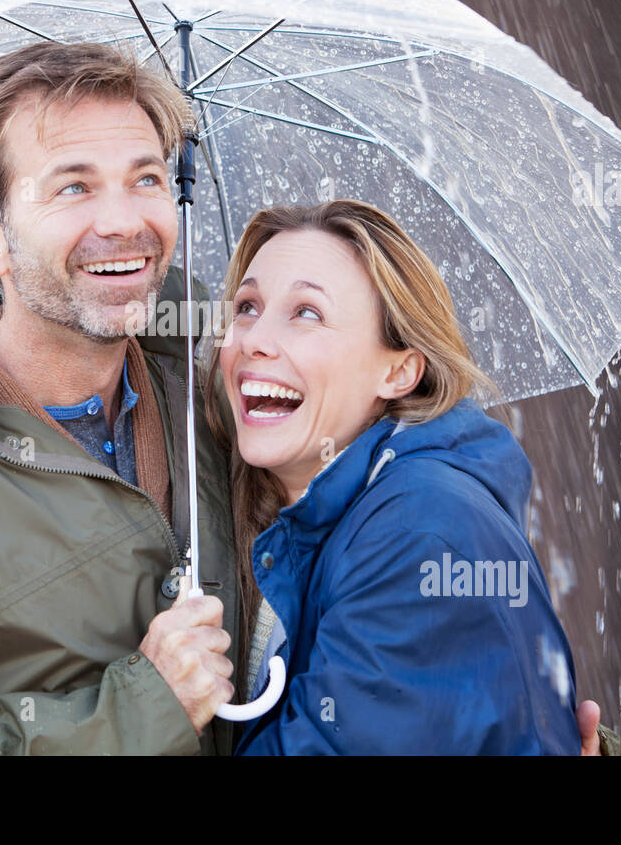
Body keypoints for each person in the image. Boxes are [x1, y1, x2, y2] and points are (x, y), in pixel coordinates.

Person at [0, 40, 611, 755]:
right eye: (74, 186)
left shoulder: (219, 404)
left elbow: (391, 587)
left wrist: (520, 729)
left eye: (146, 178)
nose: (125, 220)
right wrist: (140, 709)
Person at [207, 199, 588, 754]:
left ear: (399, 370)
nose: (252, 340)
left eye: (306, 312)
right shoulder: (311, 516)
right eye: (247, 306)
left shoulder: (422, 530)